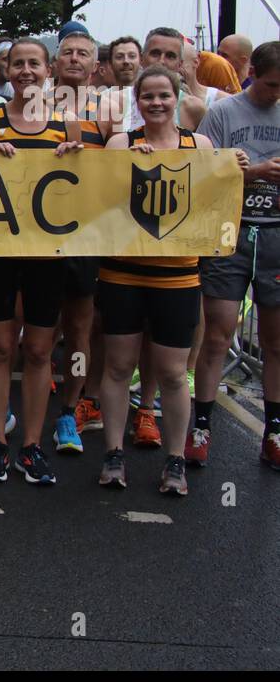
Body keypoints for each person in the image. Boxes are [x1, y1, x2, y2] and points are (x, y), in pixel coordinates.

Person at [96, 65, 227, 495]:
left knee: (172, 372)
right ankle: (113, 452)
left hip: (178, 275)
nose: (155, 103)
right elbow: (97, 203)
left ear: (178, 98)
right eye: (147, 96)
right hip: (122, 272)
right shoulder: (120, 143)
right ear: (137, 100)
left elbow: (213, 201)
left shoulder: (201, 144)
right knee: (117, 365)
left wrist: (240, 167)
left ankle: (175, 459)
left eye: (163, 96)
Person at [0, 37, 83, 484]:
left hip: (46, 252)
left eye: (34, 63)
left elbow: (76, 187)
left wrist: (75, 162)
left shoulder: (65, 121)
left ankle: (31, 445)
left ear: (48, 70)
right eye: (18, 64)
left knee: (37, 350)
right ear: (5, 69)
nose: (26, 71)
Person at [194, 41, 280, 469]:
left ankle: (274, 432)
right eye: (269, 85)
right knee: (218, 333)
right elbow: (202, 175)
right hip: (231, 230)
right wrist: (252, 172)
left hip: (276, 236)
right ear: (253, 75)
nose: (275, 93)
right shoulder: (224, 112)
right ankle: (201, 425)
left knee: (274, 340)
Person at [49, 29, 108, 454]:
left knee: (79, 331)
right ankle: (10, 410)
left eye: (82, 53)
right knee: (29, 329)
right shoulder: (30, 106)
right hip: (31, 235)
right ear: (55, 63)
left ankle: (70, 408)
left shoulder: (112, 111)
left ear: (94, 64)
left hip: (85, 234)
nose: (73, 58)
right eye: (66, 52)